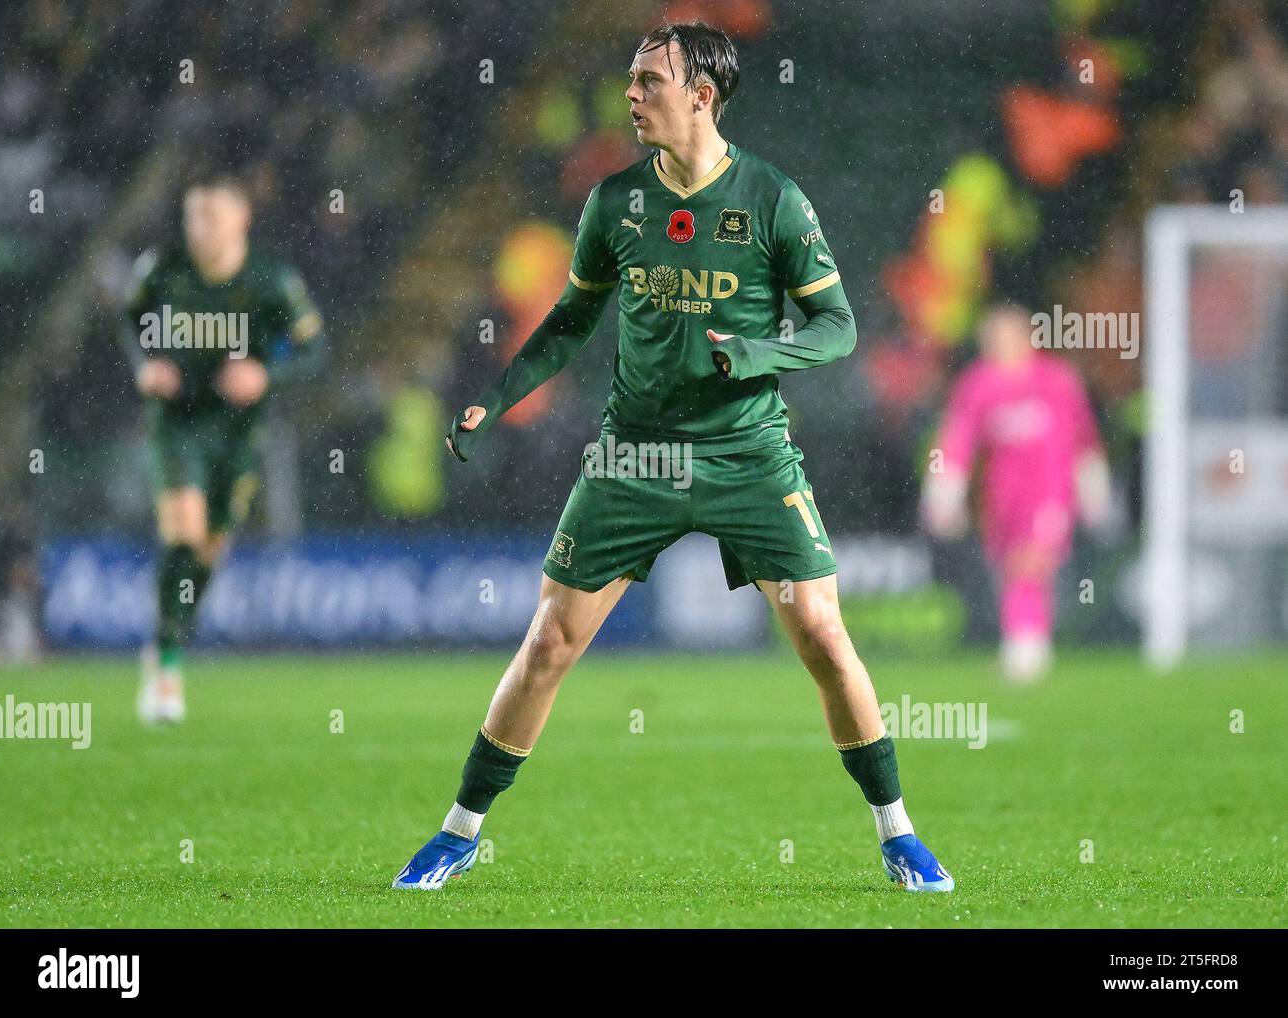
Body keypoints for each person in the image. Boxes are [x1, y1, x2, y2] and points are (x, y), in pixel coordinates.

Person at [393, 23, 953, 893]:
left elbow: (838, 327)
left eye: (649, 80)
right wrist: (499, 395)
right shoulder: (614, 202)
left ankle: (899, 835)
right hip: (635, 458)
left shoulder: (773, 199)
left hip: (747, 455)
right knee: (549, 641)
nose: (631, 93)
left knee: (821, 631)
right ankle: (459, 832)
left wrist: (761, 355)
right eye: (630, 78)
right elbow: (574, 320)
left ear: (702, 95)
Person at [122, 177, 326, 723]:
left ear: (241, 221)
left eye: (211, 217)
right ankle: (165, 674)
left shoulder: (270, 281)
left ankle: (168, 643)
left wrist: (267, 372)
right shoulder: (163, 268)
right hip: (176, 423)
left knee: (208, 550)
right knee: (184, 531)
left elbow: (314, 348)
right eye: (192, 218)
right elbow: (130, 317)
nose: (199, 229)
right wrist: (146, 363)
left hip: (237, 434)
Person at [921, 303, 1109, 681]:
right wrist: (944, 493)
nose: (1000, 345)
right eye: (993, 338)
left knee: (1030, 563)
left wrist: (1093, 489)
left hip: (1050, 494)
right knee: (1009, 566)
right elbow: (957, 441)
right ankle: (1024, 642)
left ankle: (1028, 649)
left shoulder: (1056, 381)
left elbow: (1083, 439)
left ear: (1028, 338)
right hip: (1002, 496)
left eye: (1008, 336)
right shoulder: (978, 384)